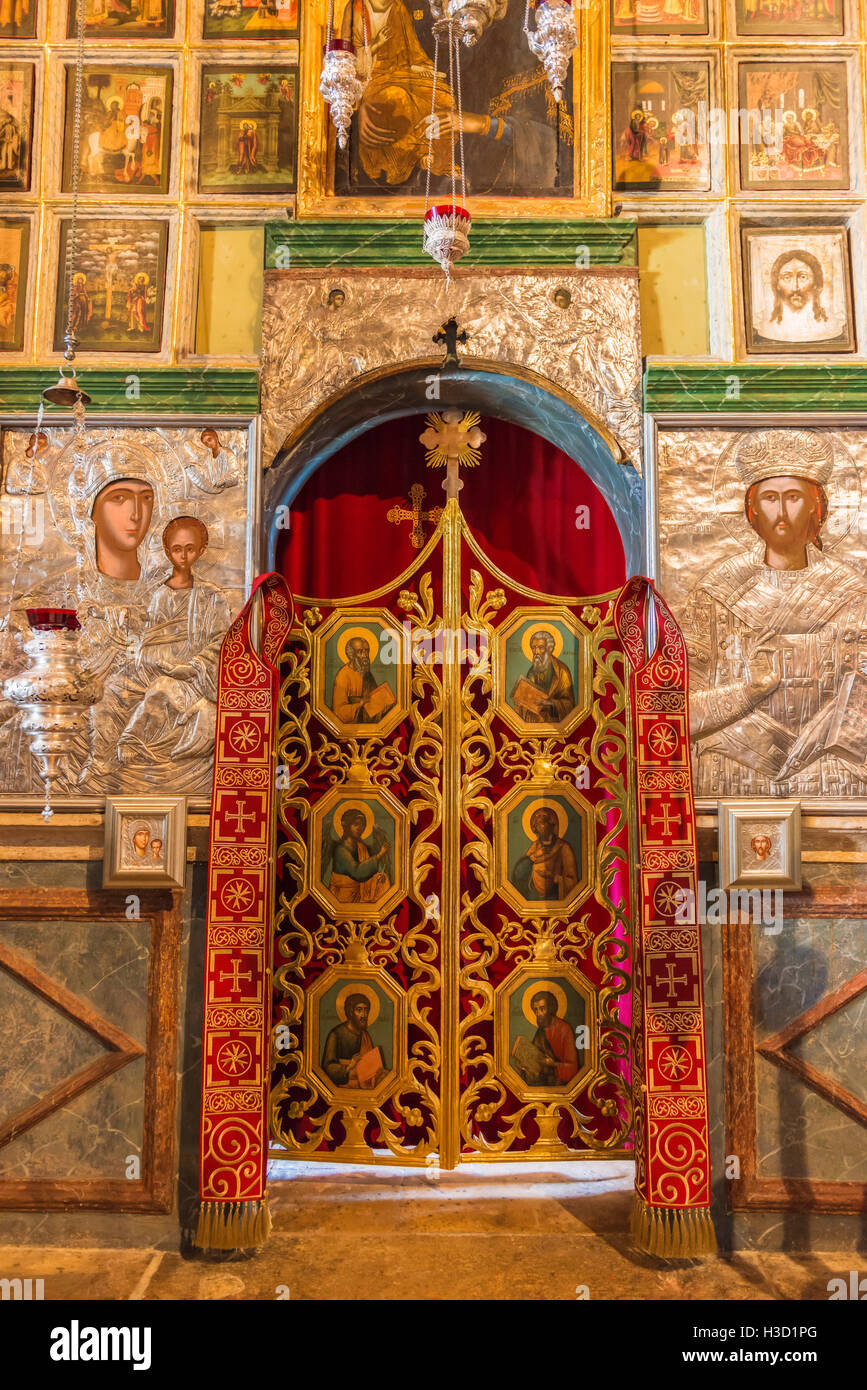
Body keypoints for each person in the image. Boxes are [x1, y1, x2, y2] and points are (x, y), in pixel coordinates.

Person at [680, 428, 867, 796]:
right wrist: (748, 692)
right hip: (730, 774)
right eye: (769, 498)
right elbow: (676, 714)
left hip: (828, 780)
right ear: (751, 510)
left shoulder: (852, 595)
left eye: (793, 497)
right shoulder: (716, 592)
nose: (781, 512)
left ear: (818, 506)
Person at [512, 806, 579, 901]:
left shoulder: (563, 847)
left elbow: (572, 881)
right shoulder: (534, 847)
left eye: (542, 823)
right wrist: (533, 857)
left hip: (555, 897)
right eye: (536, 824)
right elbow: (518, 874)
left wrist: (553, 877)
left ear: (551, 825)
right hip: (533, 898)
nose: (538, 827)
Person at [321, 993, 388, 1088]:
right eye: (359, 1010)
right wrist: (349, 1067)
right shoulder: (336, 1034)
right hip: (343, 1086)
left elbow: (370, 1066)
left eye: (366, 1010)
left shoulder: (365, 1035)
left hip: (364, 1083)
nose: (364, 1015)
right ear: (350, 1012)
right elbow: (328, 1066)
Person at [326, 808, 391, 904]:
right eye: (356, 824)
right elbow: (358, 872)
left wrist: (377, 879)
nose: (360, 828)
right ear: (347, 826)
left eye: (362, 825)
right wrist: (380, 855)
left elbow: (368, 874)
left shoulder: (362, 847)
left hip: (359, 897)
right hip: (342, 899)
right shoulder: (340, 850)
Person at [515, 991, 579, 1087]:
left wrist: (553, 1064)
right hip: (543, 1081)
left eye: (542, 1009)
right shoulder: (541, 1031)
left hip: (561, 1085)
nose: (538, 1013)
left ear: (551, 1008)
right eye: (535, 1010)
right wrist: (524, 1064)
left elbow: (573, 1068)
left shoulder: (564, 1029)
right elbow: (535, 1059)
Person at [510, 629, 575, 723]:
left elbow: (569, 704)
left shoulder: (562, 671)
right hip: (533, 723)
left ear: (550, 649)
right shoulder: (532, 671)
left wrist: (551, 704)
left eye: (541, 648)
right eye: (533, 647)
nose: (536, 652)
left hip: (554, 725)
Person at [330, 634, 394, 723]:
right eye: (360, 651)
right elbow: (338, 711)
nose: (365, 655)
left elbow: (374, 699)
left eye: (367, 651)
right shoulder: (343, 675)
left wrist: (383, 705)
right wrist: (360, 704)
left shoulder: (366, 673)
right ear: (352, 655)